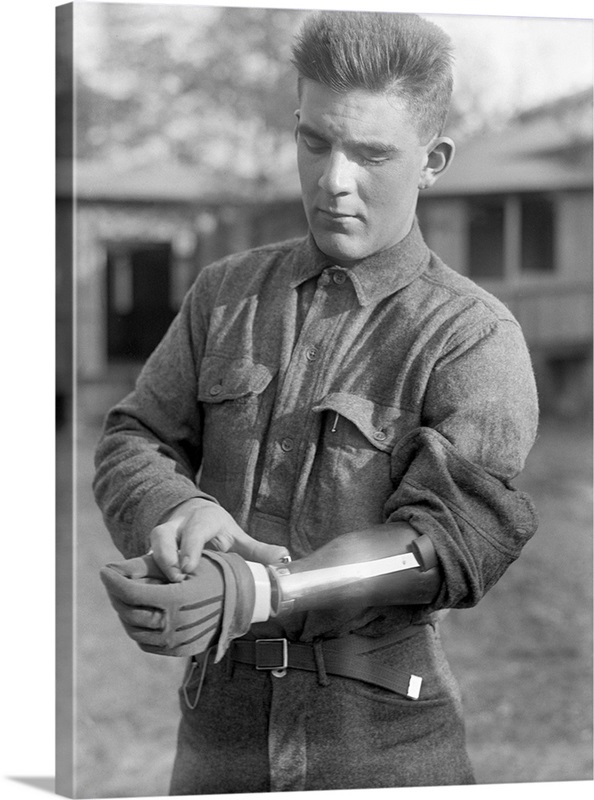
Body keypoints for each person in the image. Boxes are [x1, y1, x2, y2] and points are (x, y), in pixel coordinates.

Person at [94, 10, 539, 794]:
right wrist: (175, 514)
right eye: (314, 141)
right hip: (214, 740)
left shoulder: (471, 335)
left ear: (432, 161)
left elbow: (453, 541)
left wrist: (265, 586)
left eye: (371, 153)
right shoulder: (225, 294)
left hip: (385, 750)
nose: (334, 179)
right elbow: (134, 436)